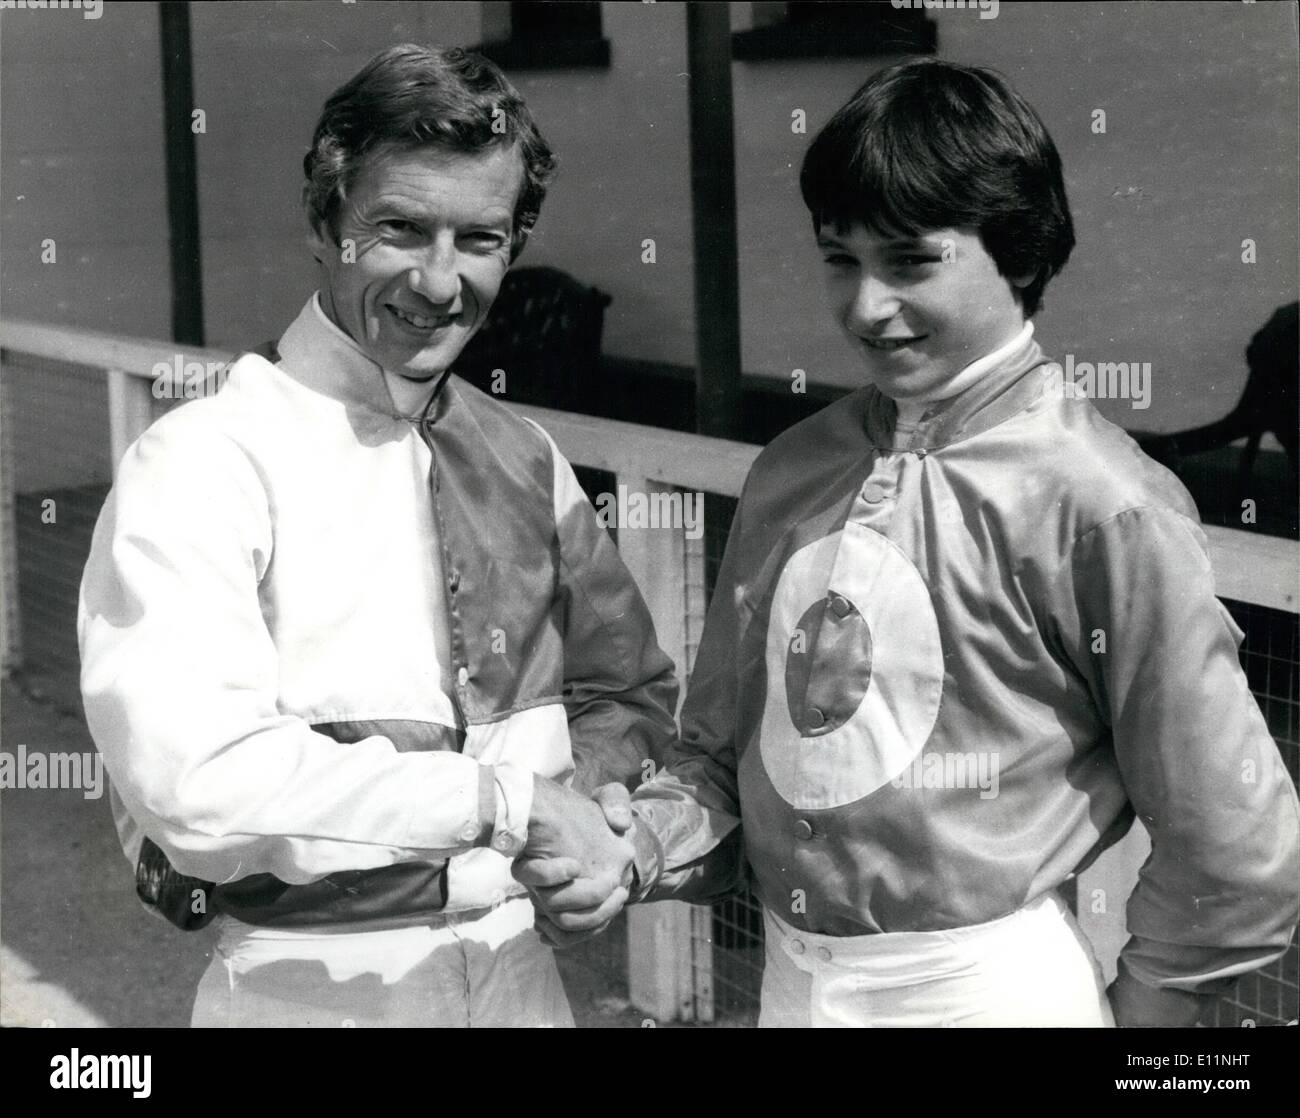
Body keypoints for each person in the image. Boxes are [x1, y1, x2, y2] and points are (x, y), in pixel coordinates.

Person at [518, 58, 1300, 1027]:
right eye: (841, 258)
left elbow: (1236, 845)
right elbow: (717, 757)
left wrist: (1143, 1027)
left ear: (1016, 250)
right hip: (789, 984)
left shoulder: (1103, 500)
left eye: (909, 260)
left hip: (988, 993)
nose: (864, 305)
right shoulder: (794, 468)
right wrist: (632, 847)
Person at [78, 43, 669, 1029]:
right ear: (325, 221)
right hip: (306, 980)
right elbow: (196, 779)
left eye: (478, 240)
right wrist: (505, 802)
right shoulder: (202, 460)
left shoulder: (527, 455)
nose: (440, 284)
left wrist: (593, 834)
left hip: (524, 973)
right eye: (401, 229)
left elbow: (632, 693)